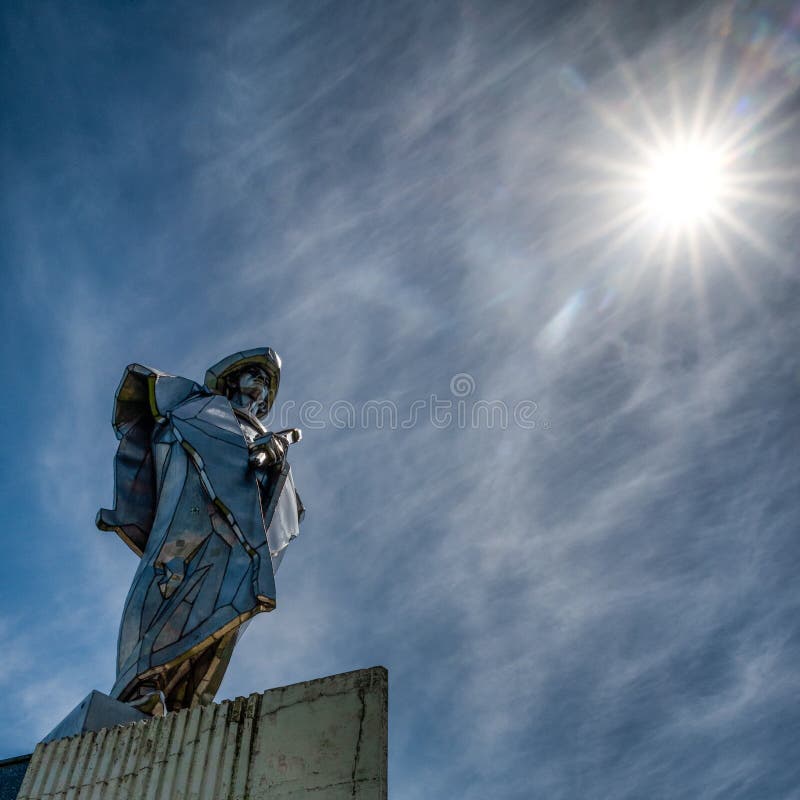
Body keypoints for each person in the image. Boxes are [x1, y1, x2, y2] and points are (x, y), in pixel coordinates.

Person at [97, 348, 304, 713]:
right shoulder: (197, 409)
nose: (261, 381)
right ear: (232, 379)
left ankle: (184, 696)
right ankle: (138, 683)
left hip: (238, 534)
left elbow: (280, 511)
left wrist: (274, 463)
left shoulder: (266, 437)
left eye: (267, 380)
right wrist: (233, 450)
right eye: (254, 372)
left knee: (227, 597)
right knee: (167, 582)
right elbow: (168, 440)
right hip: (190, 515)